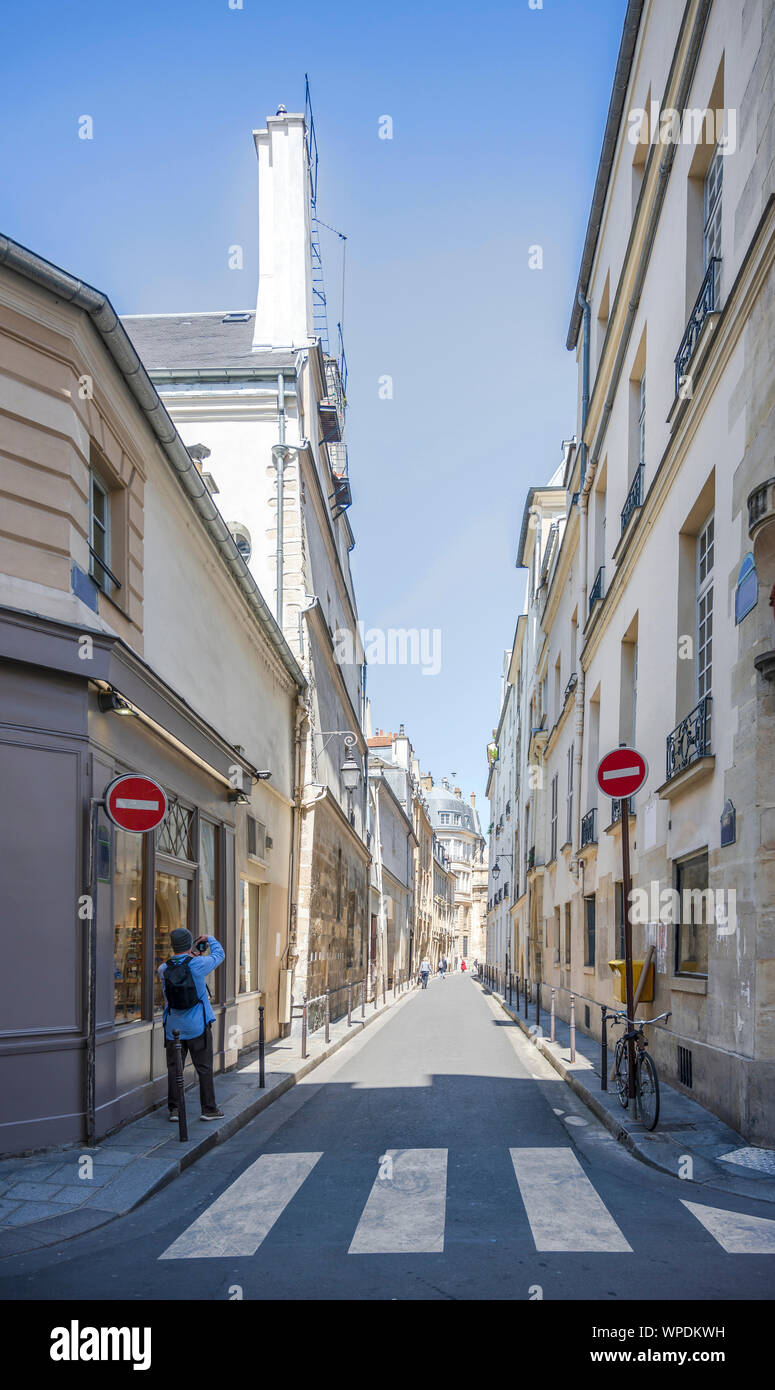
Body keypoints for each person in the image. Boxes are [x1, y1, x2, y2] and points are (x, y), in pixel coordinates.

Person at [159, 927, 225, 1122]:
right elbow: (219, 954)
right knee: (204, 1068)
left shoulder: (163, 969)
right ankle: (209, 1109)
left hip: (173, 1028)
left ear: (173, 945)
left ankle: (175, 1110)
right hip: (197, 1026)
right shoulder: (198, 965)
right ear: (190, 944)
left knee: (174, 1069)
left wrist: (190, 954)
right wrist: (210, 939)